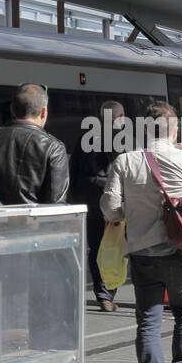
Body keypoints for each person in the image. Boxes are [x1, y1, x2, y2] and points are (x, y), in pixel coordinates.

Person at [101, 101, 182, 363]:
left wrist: (133, 213)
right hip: (180, 250)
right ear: (175, 130)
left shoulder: (125, 161)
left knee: (148, 321)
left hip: (142, 254)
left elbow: (110, 207)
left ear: (146, 129)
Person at [0, 83, 69, 206]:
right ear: (44, 112)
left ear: (12, 109)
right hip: (31, 224)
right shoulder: (53, 148)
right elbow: (56, 206)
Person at [77, 100, 127, 313]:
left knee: (97, 247)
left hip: (89, 202)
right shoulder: (118, 140)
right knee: (115, 248)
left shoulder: (85, 138)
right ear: (120, 119)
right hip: (111, 202)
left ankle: (103, 294)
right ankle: (107, 294)